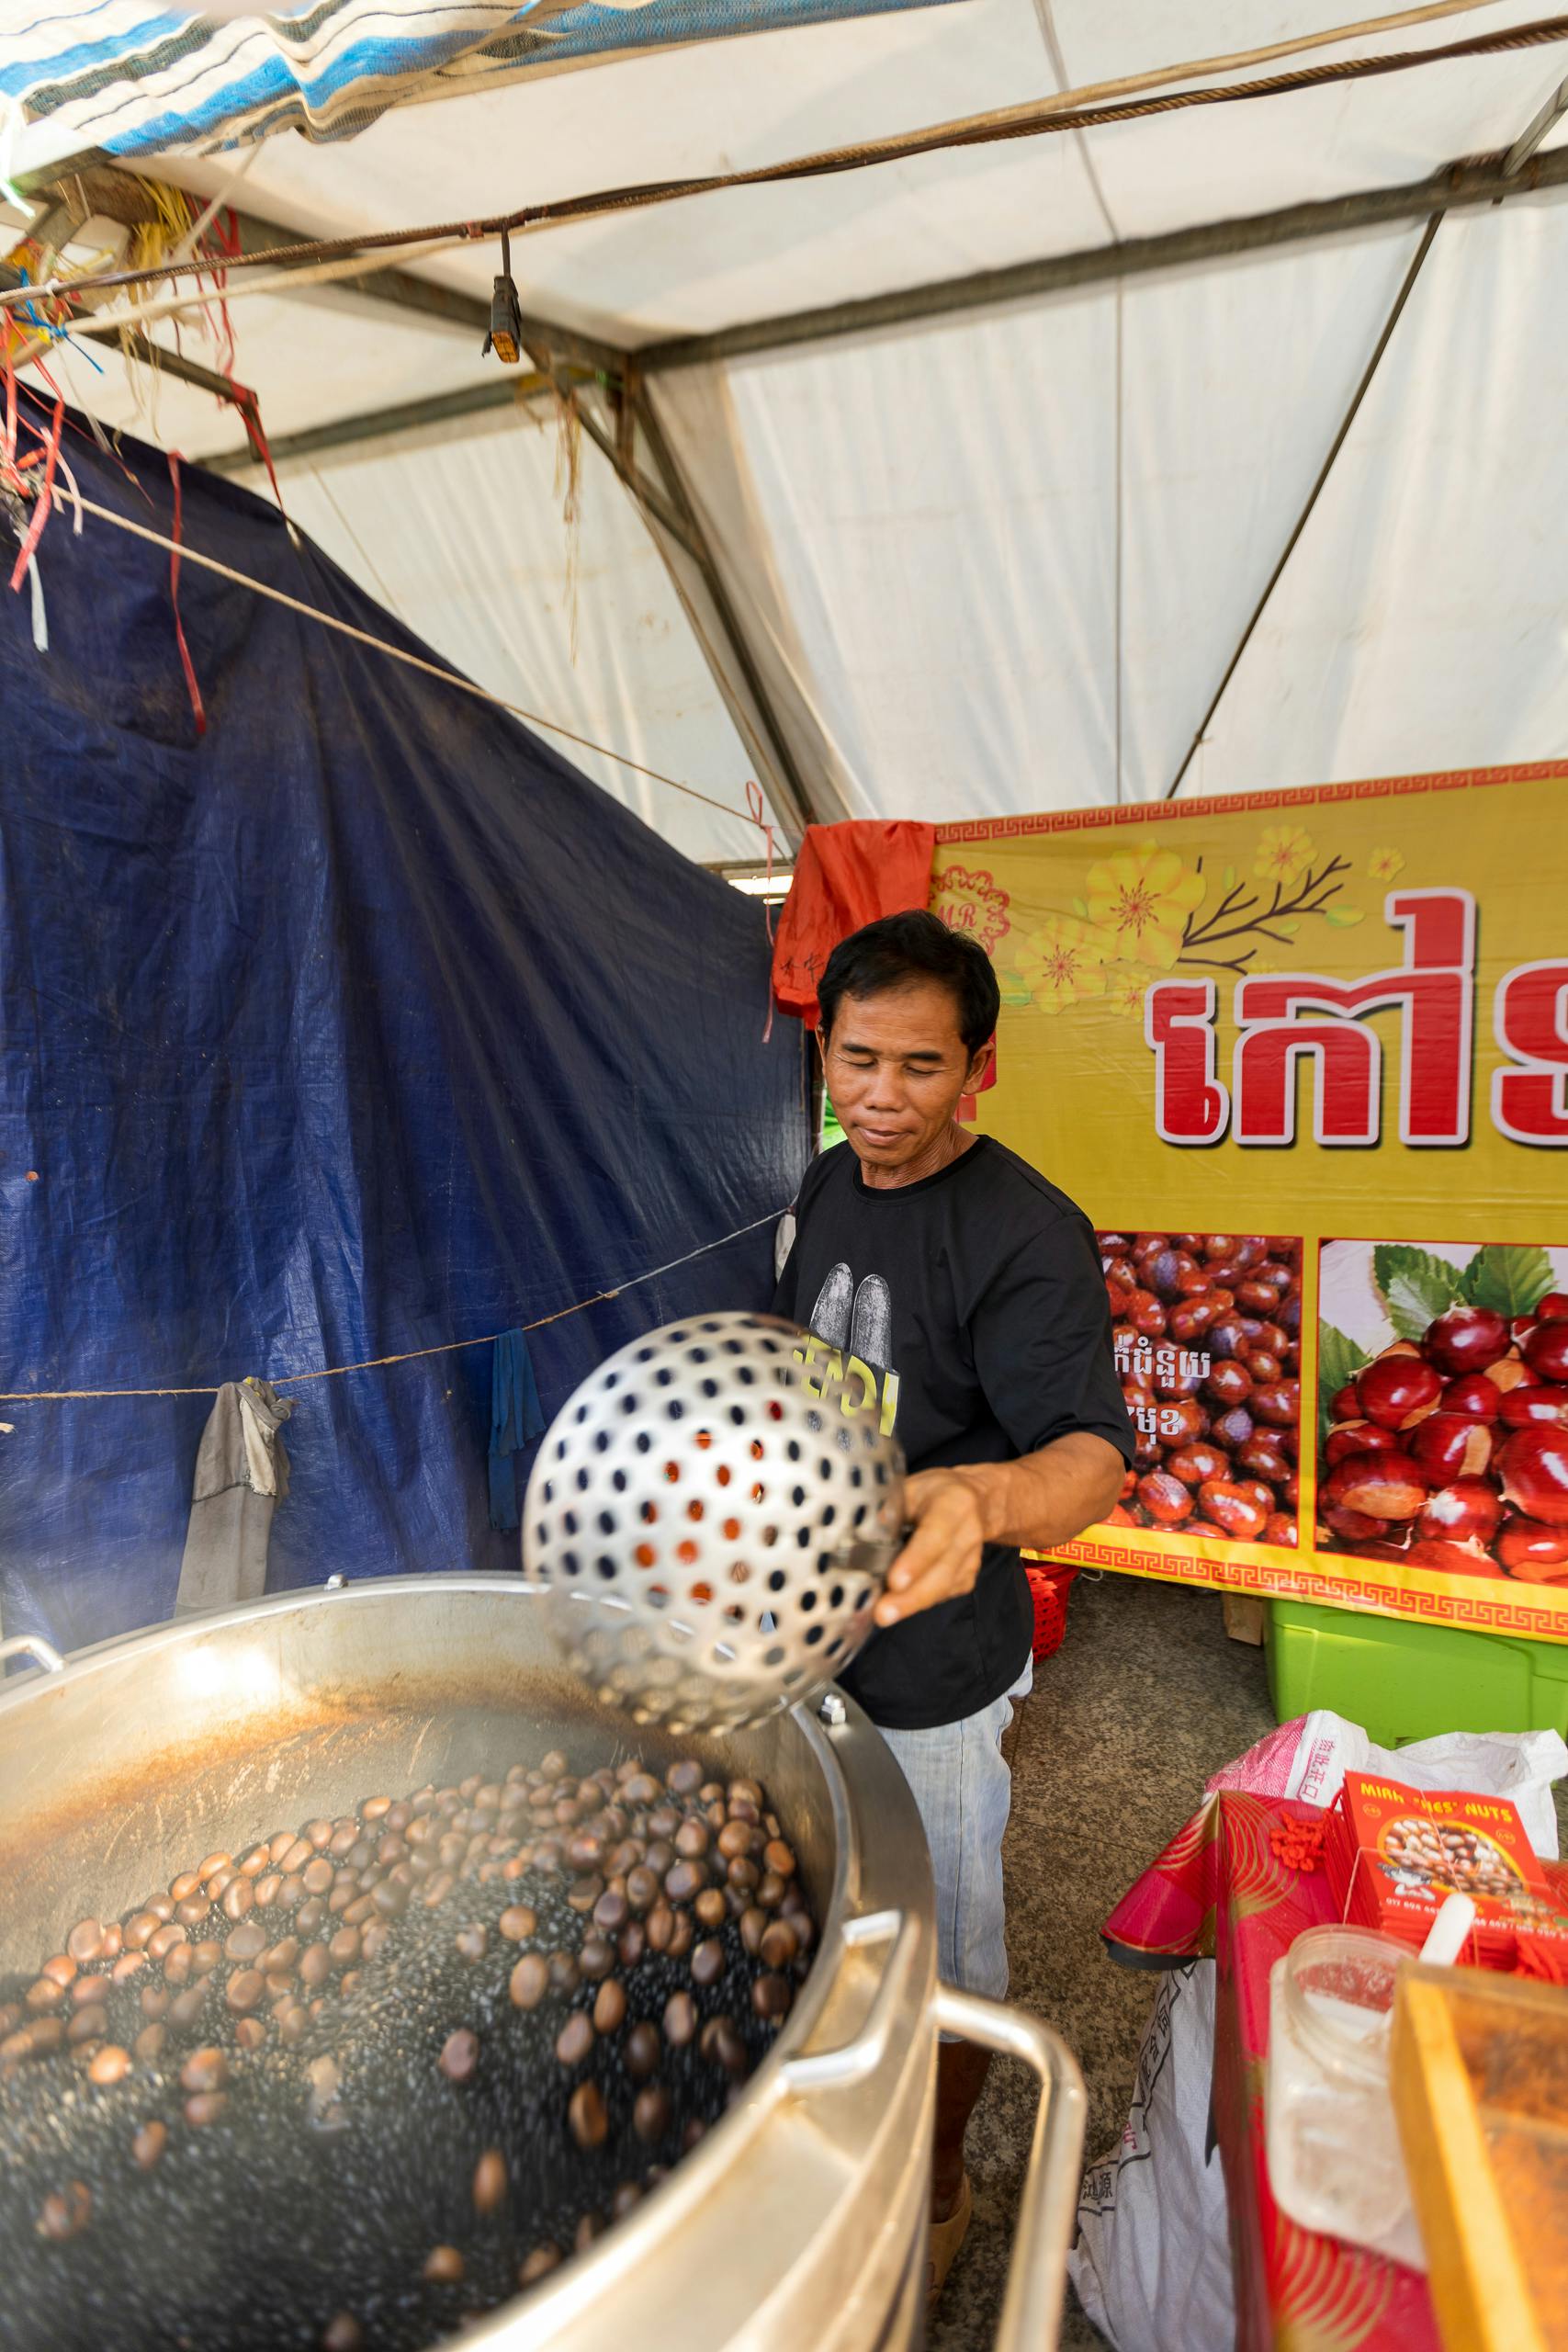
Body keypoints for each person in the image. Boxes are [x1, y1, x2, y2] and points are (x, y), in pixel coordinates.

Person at [772, 910, 1132, 2298]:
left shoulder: (1026, 1232)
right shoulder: (822, 1182)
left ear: (981, 1065)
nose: (882, 1097)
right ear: (826, 1049)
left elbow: (1092, 1461)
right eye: (858, 1059)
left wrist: (981, 1501)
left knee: (941, 1955)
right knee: (810, 1904)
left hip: (931, 1668)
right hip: (801, 1638)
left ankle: (931, 2193)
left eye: (921, 1067)